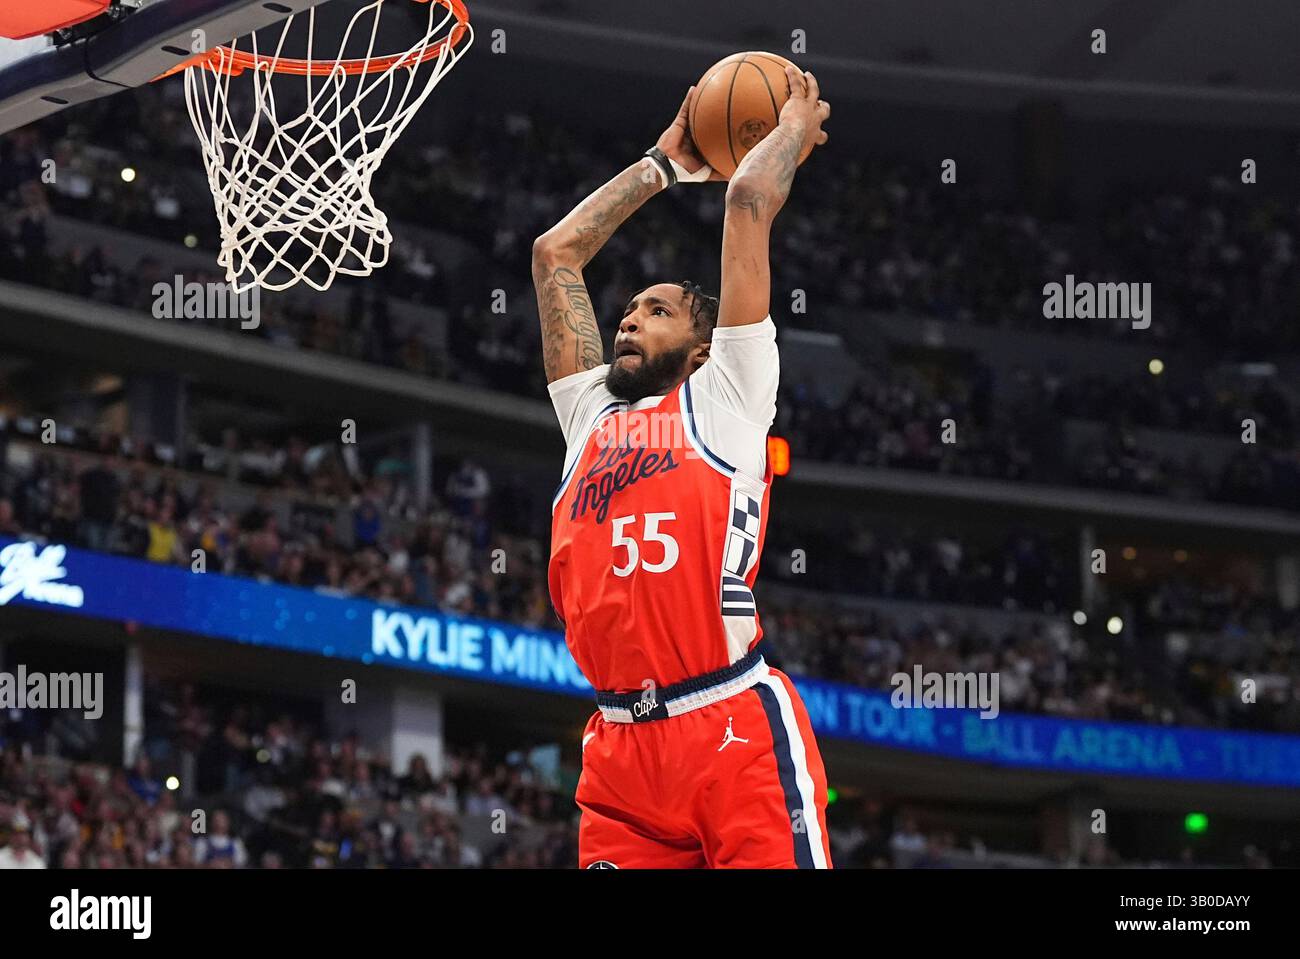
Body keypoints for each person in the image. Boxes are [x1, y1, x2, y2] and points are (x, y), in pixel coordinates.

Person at [532, 68, 832, 868]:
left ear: (702, 348)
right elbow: (556, 253)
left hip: (730, 725)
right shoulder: (590, 413)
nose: (629, 318)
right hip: (620, 749)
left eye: (655, 310)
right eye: (628, 309)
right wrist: (662, 165)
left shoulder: (729, 394)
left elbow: (745, 204)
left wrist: (787, 134)